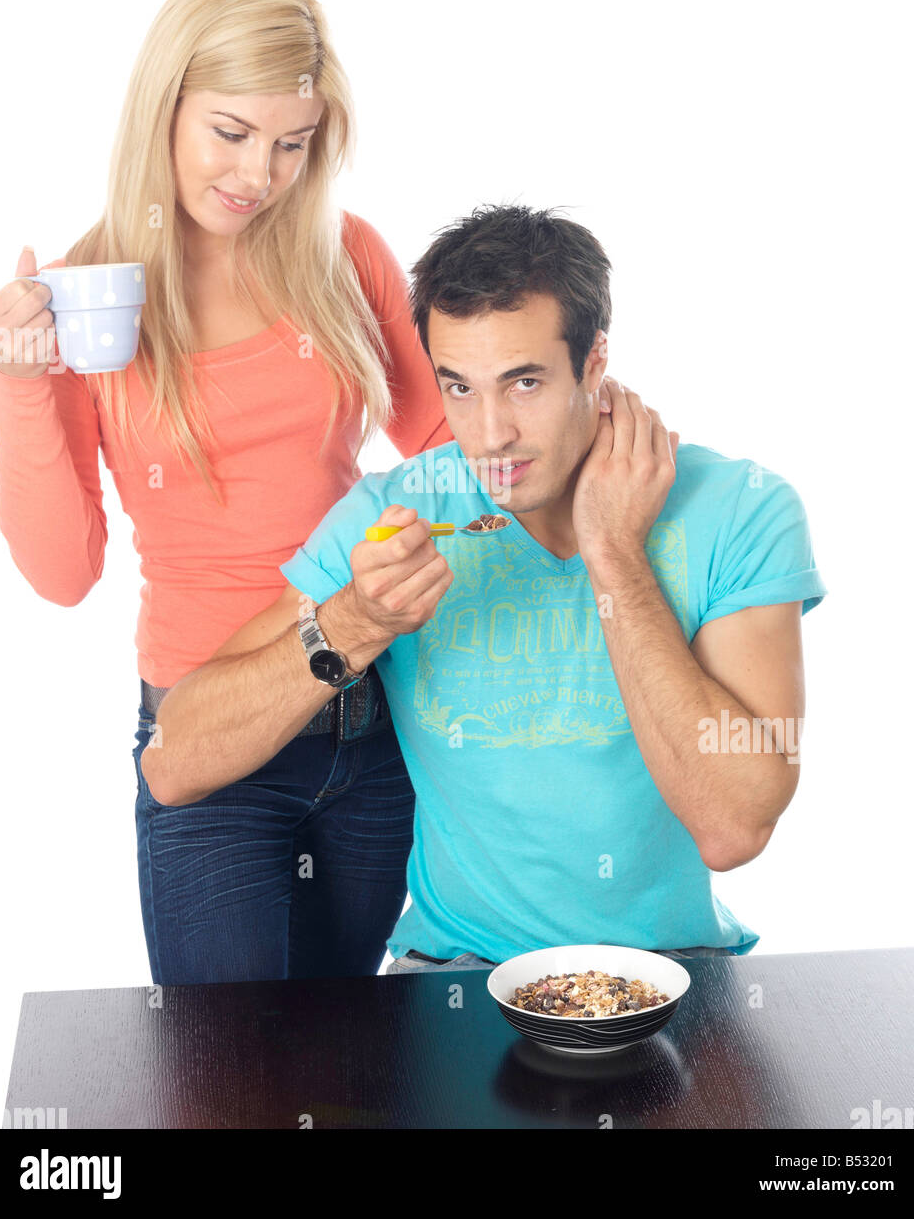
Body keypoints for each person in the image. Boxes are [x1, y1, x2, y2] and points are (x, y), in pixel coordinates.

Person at [140, 203, 827, 973]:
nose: (489, 434)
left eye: (524, 382)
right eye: (458, 388)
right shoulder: (398, 512)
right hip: (457, 978)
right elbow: (173, 761)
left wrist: (614, 551)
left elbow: (734, 828)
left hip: (675, 966)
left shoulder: (740, 509)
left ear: (595, 362)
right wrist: (352, 625)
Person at [0, 0, 454, 985]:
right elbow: (64, 573)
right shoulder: (85, 293)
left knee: (355, 1072)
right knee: (231, 1081)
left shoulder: (343, 256)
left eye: (292, 143)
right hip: (208, 729)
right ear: (166, 105)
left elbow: (441, 449)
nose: (260, 172)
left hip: (374, 720)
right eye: (231, 133)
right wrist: (19, 385)